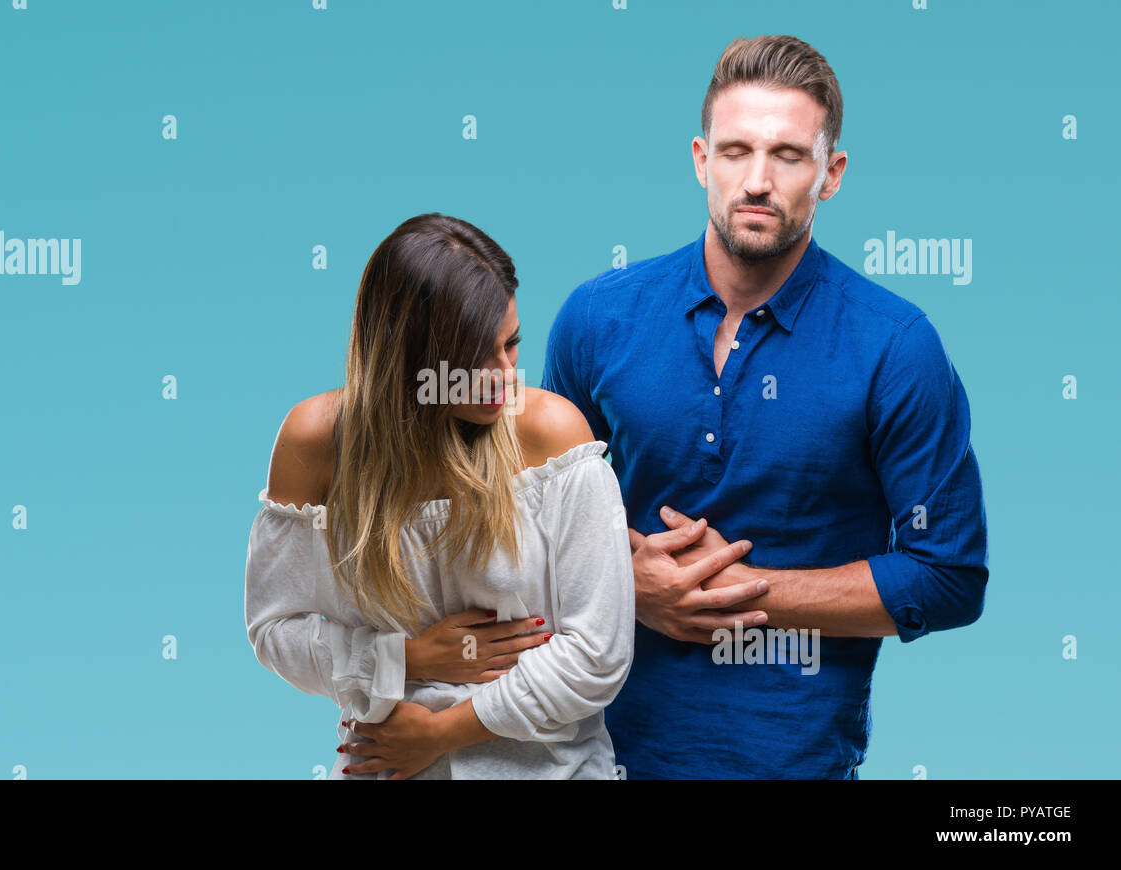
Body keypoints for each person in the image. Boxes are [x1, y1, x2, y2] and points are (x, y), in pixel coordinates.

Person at [541, 34, 990, 779]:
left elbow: (947, 576)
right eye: (735, 151)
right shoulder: (596, 319)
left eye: (787, 155)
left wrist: (736, 594)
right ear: (699, 160)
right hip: (589, 757)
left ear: (831, 173)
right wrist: (629, 580)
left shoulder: (896, 345)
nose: (757, 180)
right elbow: (527, 524)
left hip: (793, 761)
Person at [243, 213, 765, 779]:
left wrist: (441, 730)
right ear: (406, 359)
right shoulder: (315, 440)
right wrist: (404, 659)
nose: (504, 376)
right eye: (474, 360)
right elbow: (275, 630)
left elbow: (599, 656)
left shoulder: (551, 434)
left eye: (512, 345)